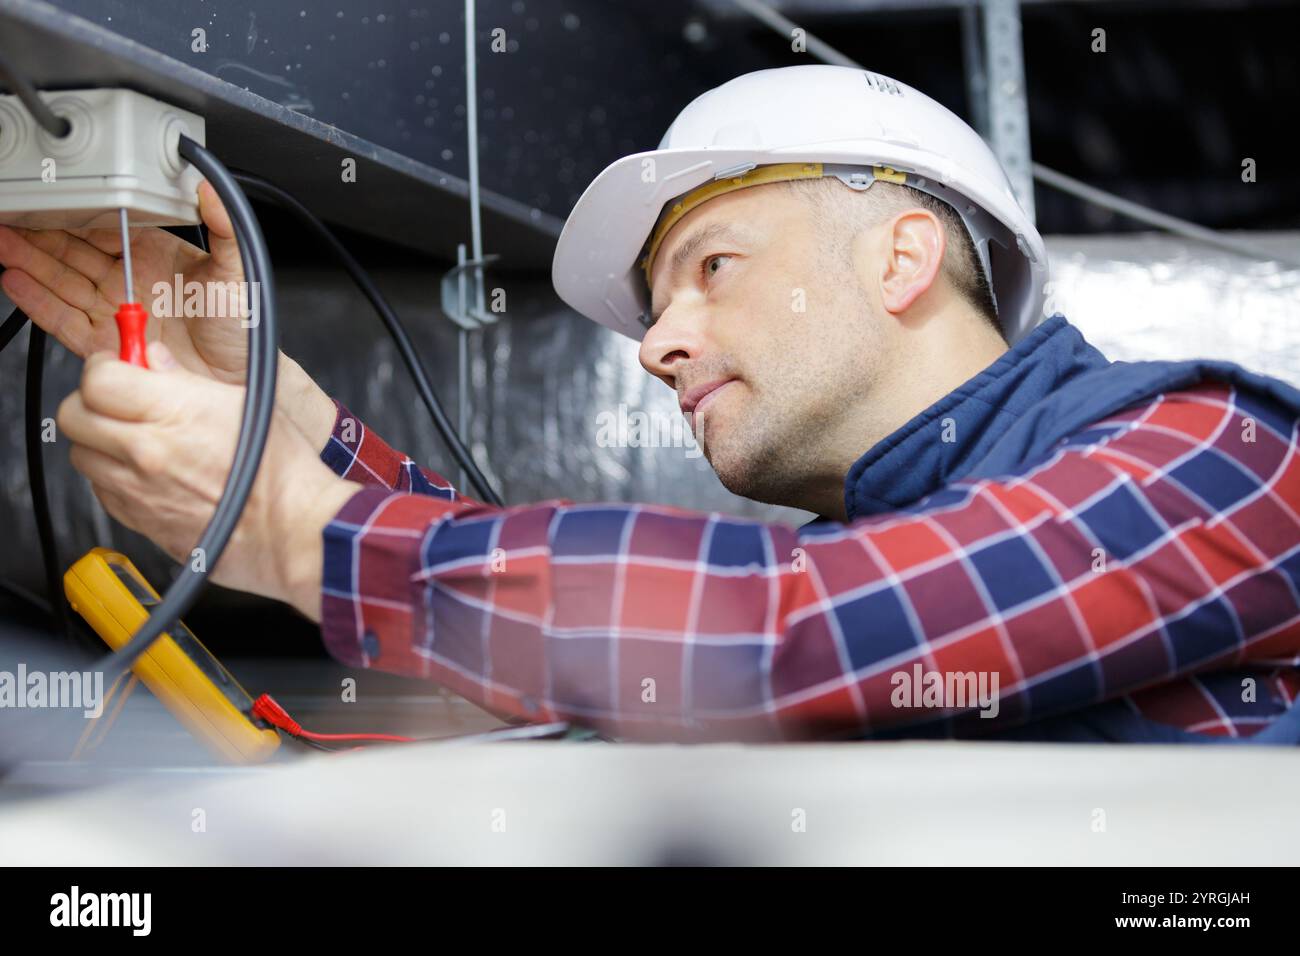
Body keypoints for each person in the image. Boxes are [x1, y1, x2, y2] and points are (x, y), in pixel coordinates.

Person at [2, 66, 1297, 744]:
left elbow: (779, 635)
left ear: (901, 258)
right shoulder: (883, 554)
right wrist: (287, 420)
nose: (656, 345)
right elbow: (651, 641)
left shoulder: (1221, 455)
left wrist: (297, 532)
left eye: (711, 271)